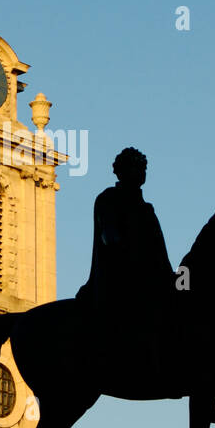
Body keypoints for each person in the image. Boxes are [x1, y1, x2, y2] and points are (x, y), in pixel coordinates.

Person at [76, 148, 176, 373]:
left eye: (144, 168)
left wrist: (172, 279)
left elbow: (161, 253)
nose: (141, 173)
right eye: (136, 167)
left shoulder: (147, 209)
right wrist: (141, 268)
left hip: (150, 279)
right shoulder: (109, 200)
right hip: (119, 279)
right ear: (122, 171)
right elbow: (111, 239)